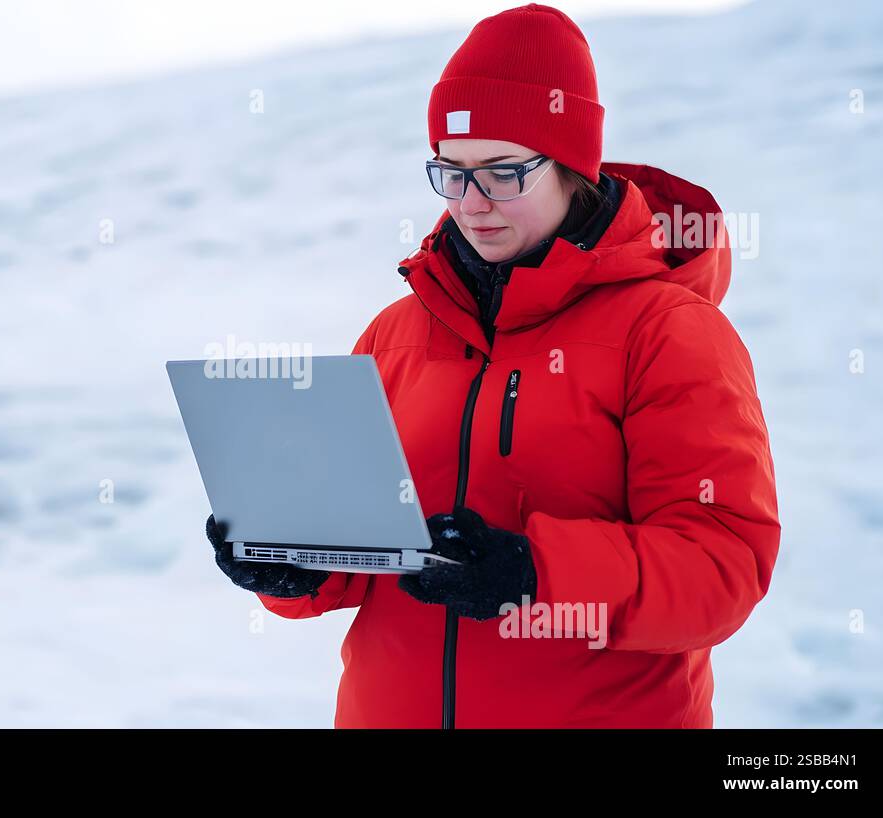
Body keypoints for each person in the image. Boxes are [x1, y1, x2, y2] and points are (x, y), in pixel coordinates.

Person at [206, 2, 780, 728]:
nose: (472, 204)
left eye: (504, 173)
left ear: (573, 165)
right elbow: (367, 550)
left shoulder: (667, 334)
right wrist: (290, 565)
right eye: (452, 172)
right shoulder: (397, 333)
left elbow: (722, 566)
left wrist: (534, 575)